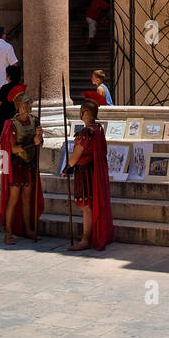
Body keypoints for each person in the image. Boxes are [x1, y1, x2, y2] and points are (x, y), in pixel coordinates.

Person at [61, 101, 114, 252]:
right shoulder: (98, 129)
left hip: (84, 173)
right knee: (89, 206)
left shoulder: (85, 133)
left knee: (86, 207)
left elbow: (74, 157)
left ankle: (85, 239)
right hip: (92, 171)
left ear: (85, 113)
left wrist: (67, 168)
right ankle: (87, 234)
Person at [0, 94, 44, 243]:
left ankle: (28, 230)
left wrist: (40, 138)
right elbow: (13, 149)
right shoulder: (11, 124)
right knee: (13, 198)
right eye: (26, 103)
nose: (30, 106)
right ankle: (8, 233)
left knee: (27, 197)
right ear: (19, 105)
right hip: (16, 165)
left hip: (29, 164)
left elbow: (39, 143)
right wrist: (34, 142)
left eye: (30, 103)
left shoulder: (35, 121)